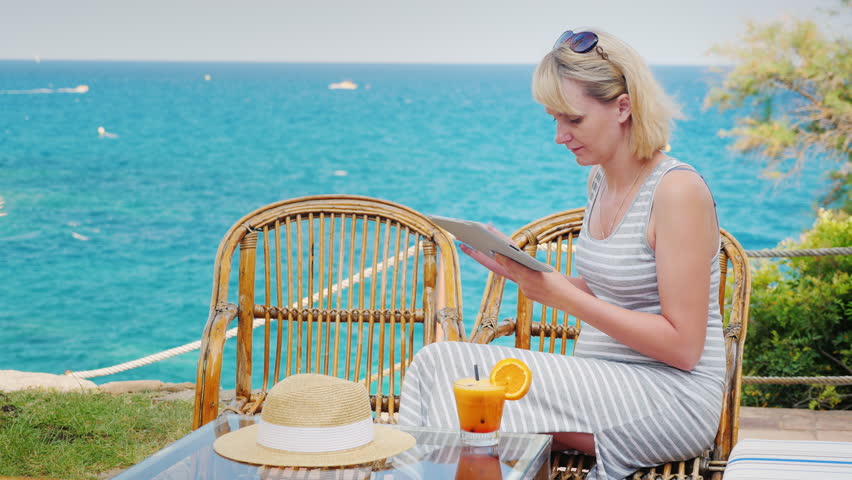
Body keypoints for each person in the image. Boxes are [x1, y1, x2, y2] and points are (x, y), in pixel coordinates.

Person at [399, 28, 724, 480]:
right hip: (605, 385)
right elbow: (611, 291)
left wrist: (557, 294)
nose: (559, 136)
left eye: (572, 119)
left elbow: (684, 347)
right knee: (442, 377)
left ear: (623, 108)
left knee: (443, 363)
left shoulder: (677, 191)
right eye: (554, 119)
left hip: (672, 398)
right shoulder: (600, 181)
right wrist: (523, 273)